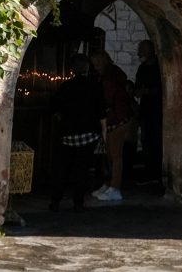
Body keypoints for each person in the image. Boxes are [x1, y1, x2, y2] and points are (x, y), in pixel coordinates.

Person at [49, 54, 105, 212]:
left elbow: (53, 107)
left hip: (68, 133)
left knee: (62, 168)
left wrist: (62, 118)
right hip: (88, 134)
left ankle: (56, 200)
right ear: (87, 67)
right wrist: (103, 133)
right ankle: (78, 202)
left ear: (73, 69)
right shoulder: (94, 86)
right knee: (82, 169)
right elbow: (101, 112)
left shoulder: (66, 86)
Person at [91, 47, 136, 202]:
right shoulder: (109, 75)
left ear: (103, 61)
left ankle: (115, 187)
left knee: (115, 155)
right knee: (110, 154)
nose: (95, 66)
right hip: (115, 118)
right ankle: (109, 184)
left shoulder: (109, 77)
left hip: (118, 119)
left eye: (97, 63)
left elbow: (108, 99)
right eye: (94, 64)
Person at [134, 38, 163, 190]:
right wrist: (140, 91)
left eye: (144, 50)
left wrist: (149, 91)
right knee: (146, 142)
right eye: (141, 50)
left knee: (158, 143)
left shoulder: (160, 66)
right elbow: (137, 88)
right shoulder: (142, 68)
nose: (141, 53)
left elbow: (162, 88)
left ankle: (158, 174)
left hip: (159, 111)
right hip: (146, 112)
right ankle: (150, 173)